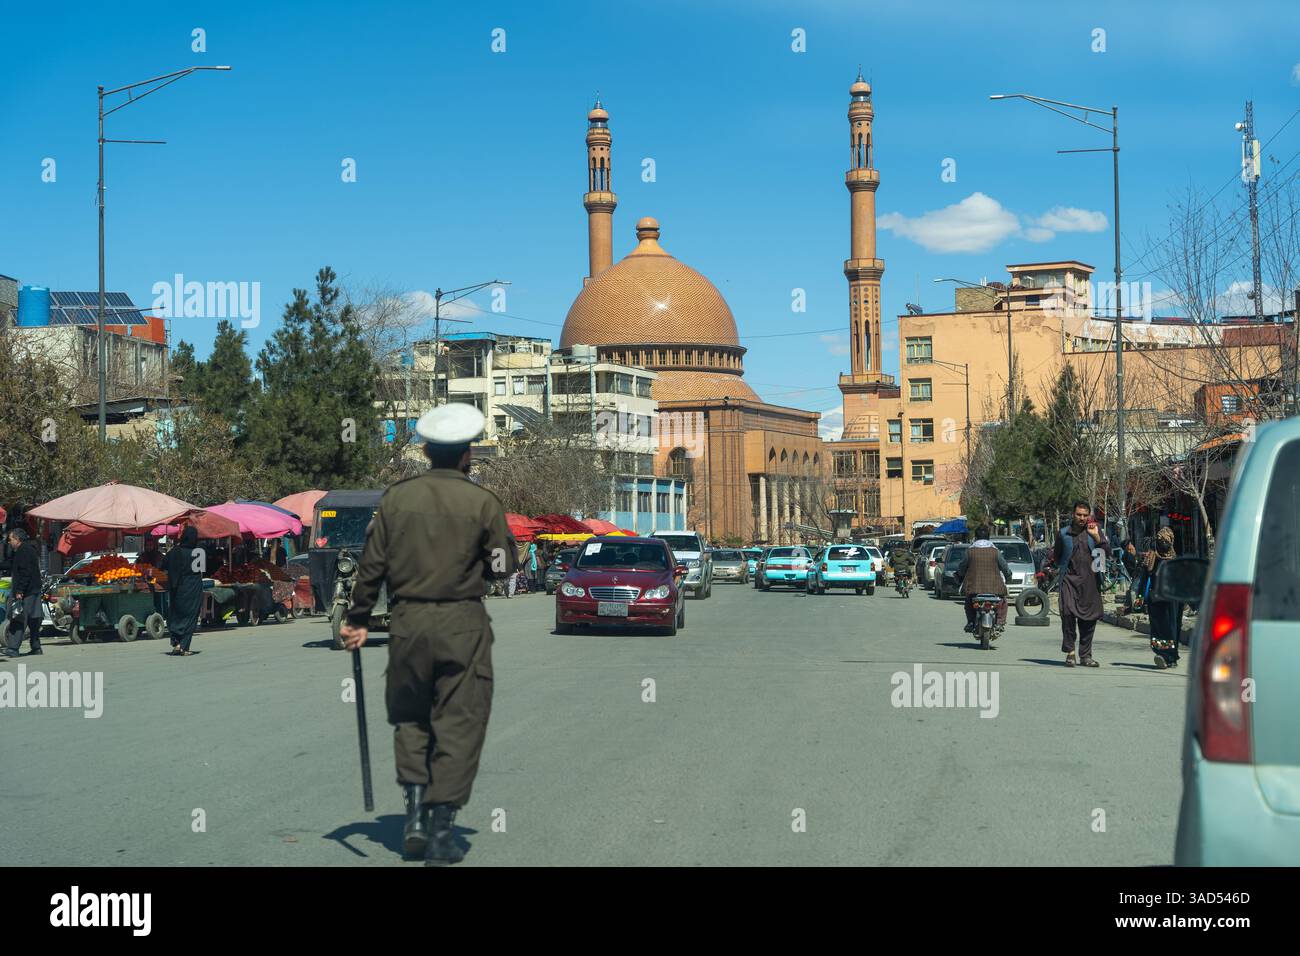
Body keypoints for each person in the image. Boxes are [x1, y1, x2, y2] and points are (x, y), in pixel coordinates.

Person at [341, 403, 513, 866]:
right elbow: (503, 567)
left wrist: (357, 619)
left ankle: (414, 813)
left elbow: (371, 565)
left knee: (412, 718)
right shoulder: (483, 503)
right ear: (467, 457)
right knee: (459, 722)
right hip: (463, 624)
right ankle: (440, 829)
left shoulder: (396, 499)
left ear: (425, 450)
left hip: (408, 624)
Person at [1046, 501, 1110, 668]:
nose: (1082, 518)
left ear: (1088, 516)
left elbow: (1105, 555)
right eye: (1079, 514)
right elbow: (1058, 557)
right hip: (1069, 581)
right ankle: (1070, 652)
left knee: (1089, 621)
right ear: (1073, 515)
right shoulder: (1063, 534)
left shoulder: (1095, 531)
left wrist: (1097, 537)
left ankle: (1086, 655)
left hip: (1090, 582)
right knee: (1067, 615)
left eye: (1085, 515)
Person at [955, 526, 1010, 637]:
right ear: (989, 537)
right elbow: (1005, 567)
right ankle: (999, 623)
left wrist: (959, 576)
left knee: (969, 602)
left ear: (975, 537)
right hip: (995, 587)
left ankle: (971, 622)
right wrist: (1009, 577)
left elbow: (962, 568)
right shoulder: (995, 551)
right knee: (1003, 602)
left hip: (973, 587)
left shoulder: (970, 551)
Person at [163, 526, 205, 656]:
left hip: (178, 587)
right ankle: (184, 647)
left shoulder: (175, 552)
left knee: (176, 614)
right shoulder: (199, 552)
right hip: (194, 587)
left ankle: (176, 643)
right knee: (191, 616)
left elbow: (163, 565)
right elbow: (202, 570)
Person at [1145, 527, 1183, 669]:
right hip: (1157, 599)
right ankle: (1162, 654)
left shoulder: (1176, 560)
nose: (1162, 543)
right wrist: (1139, 599)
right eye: (1160, 540)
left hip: (1173, 601)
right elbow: (1143, 579)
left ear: (1171, 541)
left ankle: (1171, 656)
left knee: (1172, 629)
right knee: (1159, 628)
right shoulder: (1152, 558)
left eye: (1165, 540)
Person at [3, 528, 44, 657]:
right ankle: (36, 647)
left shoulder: (23, 551)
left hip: (26, 592)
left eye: (10, 540)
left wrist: (20, 591)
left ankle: (13, 648)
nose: (9, 542)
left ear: (17, 539)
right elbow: (13, 565)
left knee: (18, 618)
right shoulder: (27, 550)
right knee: (33, 620)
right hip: (34, 590)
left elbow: (25, 573)